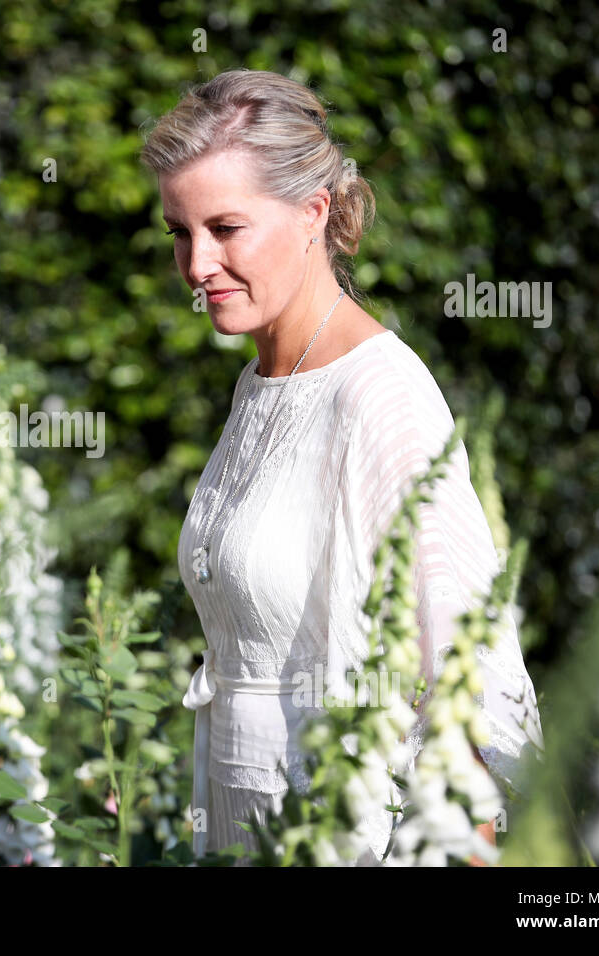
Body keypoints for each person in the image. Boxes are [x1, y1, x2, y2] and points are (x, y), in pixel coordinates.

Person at [138, 68, 545, 865]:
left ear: (312, 214)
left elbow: (473, 675)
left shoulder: (381, 395)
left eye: (226, 228)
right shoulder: (258, 383)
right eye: (180, 233)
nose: (196, 265)